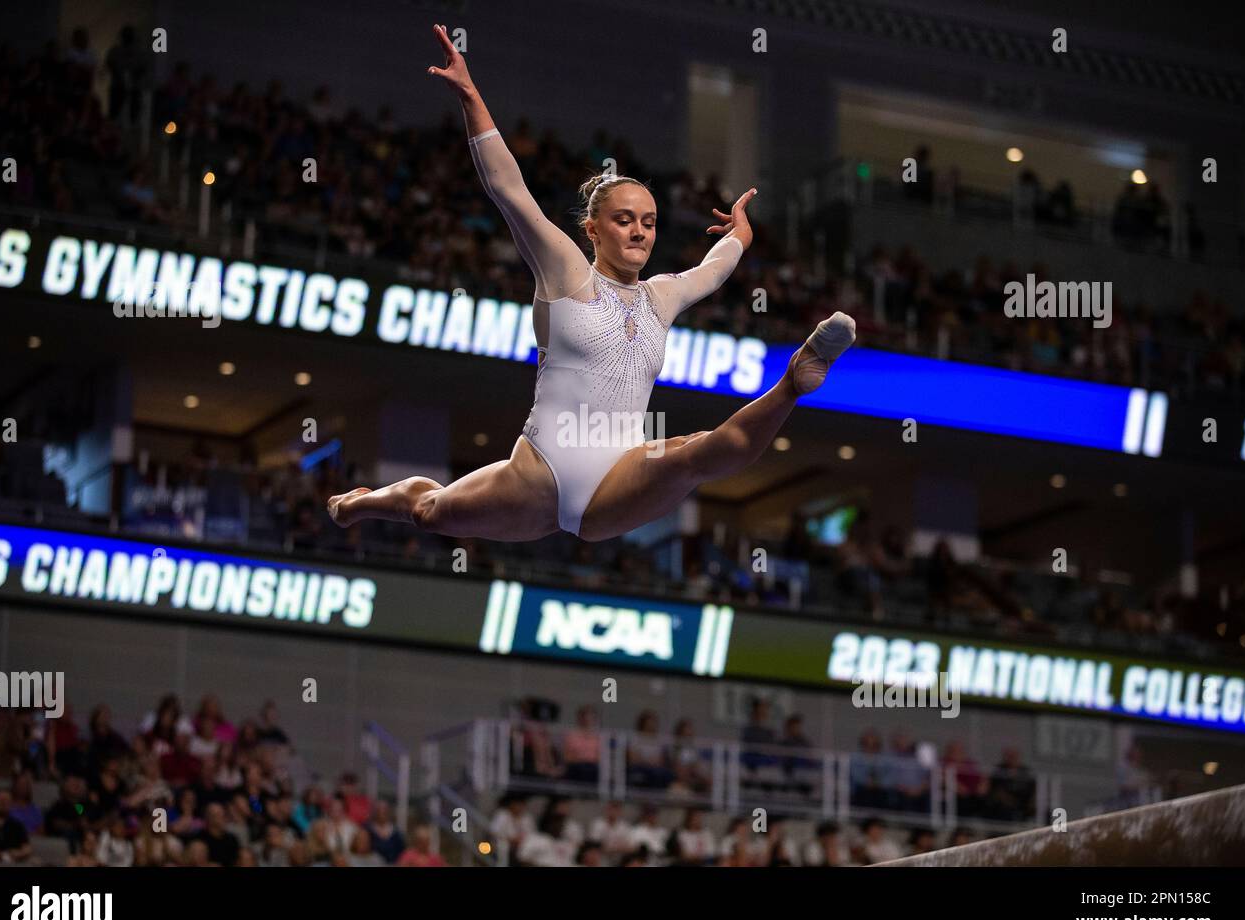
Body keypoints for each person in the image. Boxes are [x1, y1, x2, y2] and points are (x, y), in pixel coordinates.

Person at [328, 24, 855, 543]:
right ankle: (364, 502)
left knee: (699, 454)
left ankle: (792, 382)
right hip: (540, 472)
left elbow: (712, 271)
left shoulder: (661, 297)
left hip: (616, 477)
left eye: (649, 223)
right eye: (625, 219)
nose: (639, 232)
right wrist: (470, 95)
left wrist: (739, 235)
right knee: (428, 513)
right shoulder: (566, 271)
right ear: (593, 228)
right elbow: (508, 186)